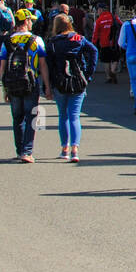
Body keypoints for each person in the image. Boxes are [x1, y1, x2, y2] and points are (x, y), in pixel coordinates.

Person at [0, 12, 51, 163]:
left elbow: (2, 67)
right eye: (31, 21)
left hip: (12, 83)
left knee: (17, 117)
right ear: (27, 21)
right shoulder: (36, 40)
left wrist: (5, 88)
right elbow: (43, 65)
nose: (32, 23)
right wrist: (47, 86)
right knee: (31, 117)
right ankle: (27, 152)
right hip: (30, 82)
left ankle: (19, 149)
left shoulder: (8, 40)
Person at [48, 14, 99, 163]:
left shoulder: (53, 42)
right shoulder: (78, 39)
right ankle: (75, 149)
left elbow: (49, 64)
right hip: (77, 80)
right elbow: (94, 51)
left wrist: (48, 84)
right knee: (74, 116)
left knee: (62, 115)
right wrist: (88, 73)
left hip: (60, 81)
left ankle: (64, 148)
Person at [93, 6, 121, 83]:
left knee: (106, 60)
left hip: (104, 43)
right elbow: (121, 26)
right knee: (115, 58)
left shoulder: (99, 20)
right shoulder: (114, 17)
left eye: (97, 10)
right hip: (115, 42)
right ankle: (113, 70)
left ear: (100, 10)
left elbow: (95, 33)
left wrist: (94, 43)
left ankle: (108, 76)